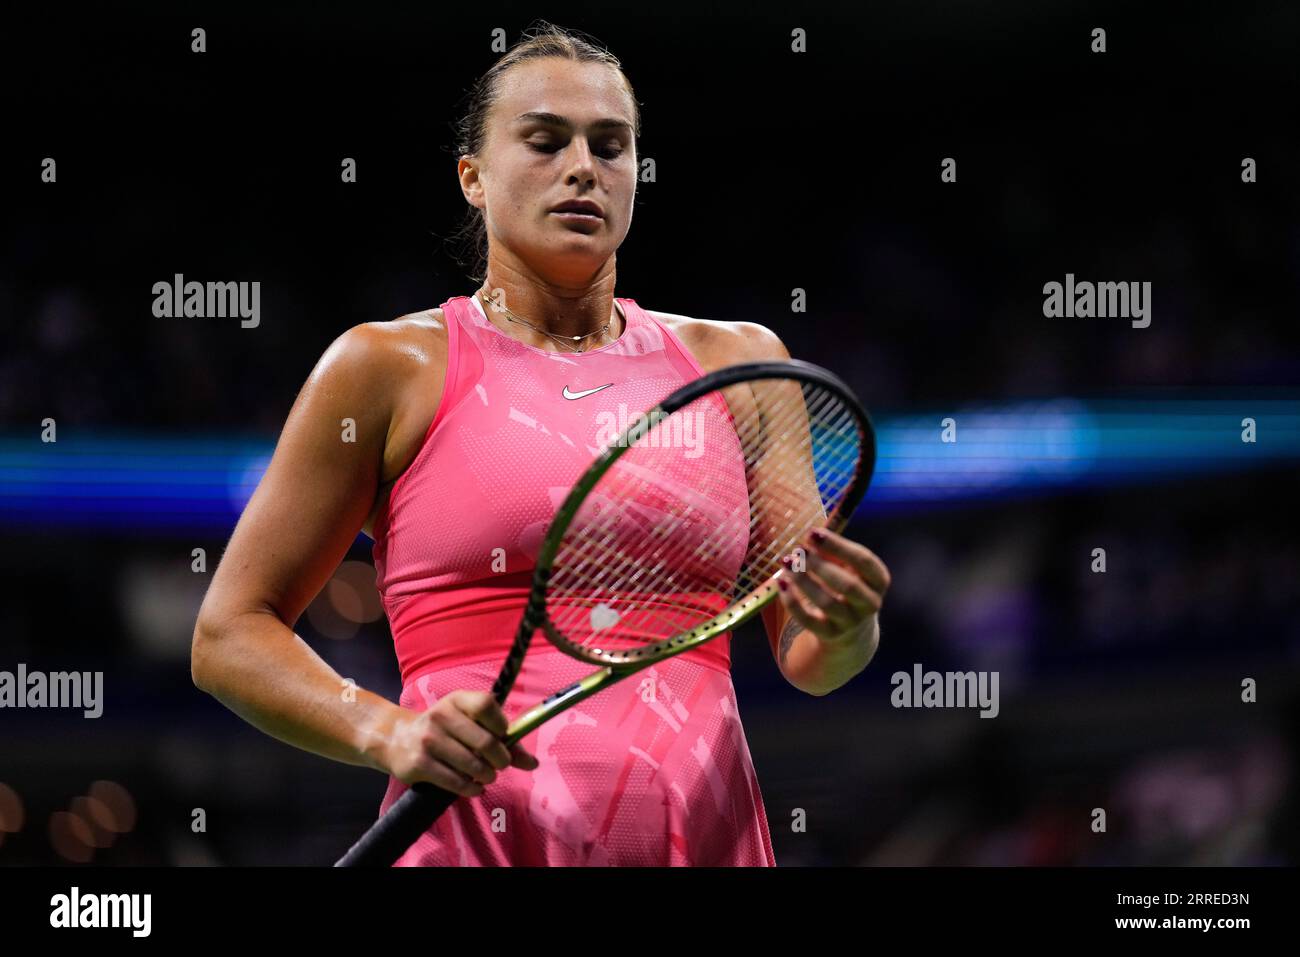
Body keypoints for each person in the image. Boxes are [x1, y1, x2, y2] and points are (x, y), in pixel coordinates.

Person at [191, 22, 891, 866]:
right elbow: (229, 633)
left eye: (611, 145)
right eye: (544, 140)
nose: (582, 168)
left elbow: (810, 657)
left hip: (704, 836)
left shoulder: (742, 366)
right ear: (473, 178)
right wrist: (387, 730)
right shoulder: (387, 367)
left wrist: (849, 628)